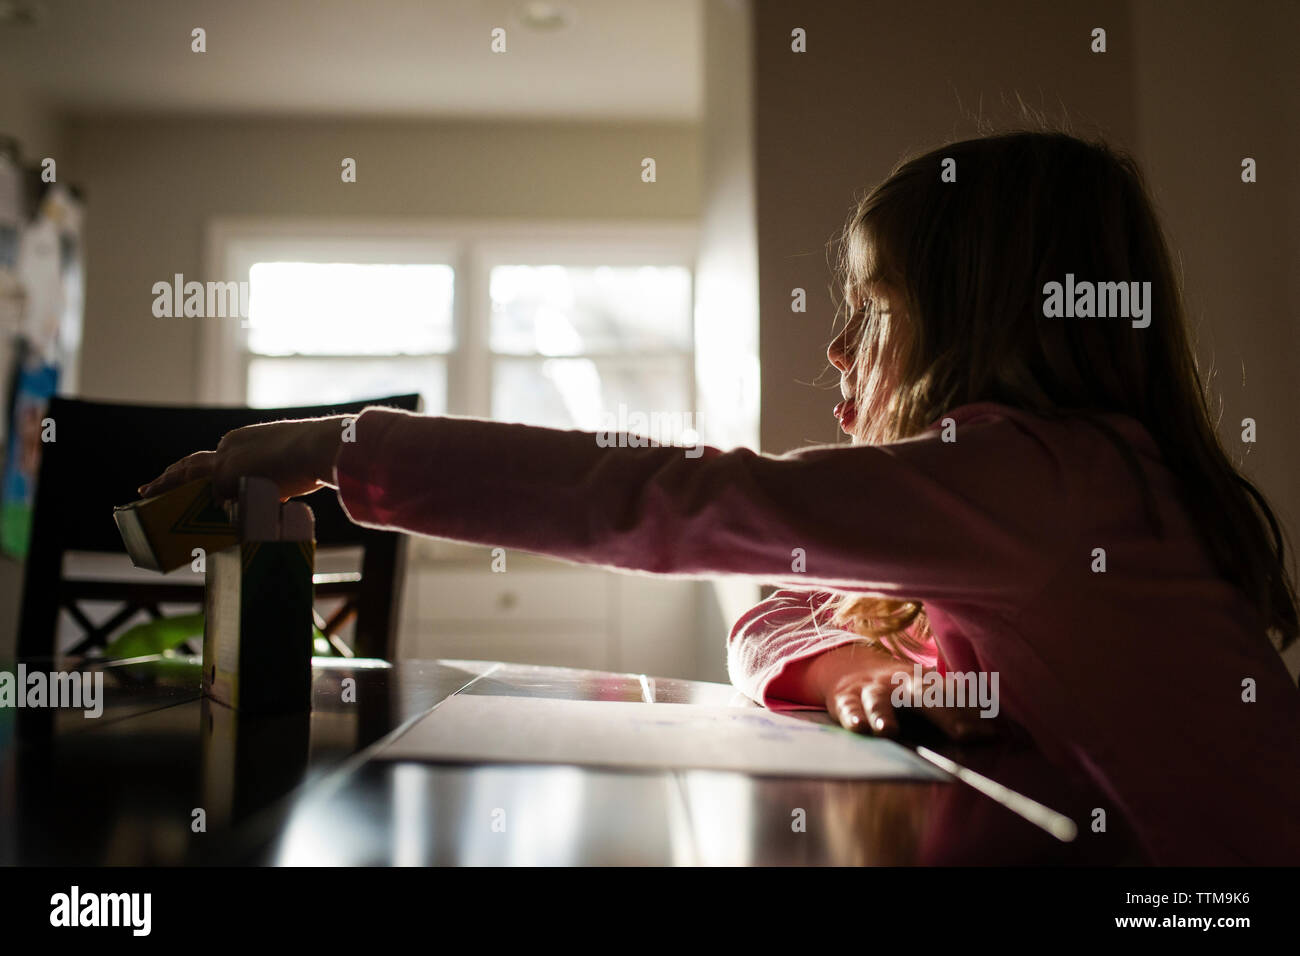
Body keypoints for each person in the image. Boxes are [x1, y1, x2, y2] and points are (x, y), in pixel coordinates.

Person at [141, 130, 1300, 864]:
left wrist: (340, 443)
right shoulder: (1051, 491)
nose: (838, 351)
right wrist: (854, 665)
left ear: (979, 316)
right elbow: (767, 605)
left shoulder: (1038, 481)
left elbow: (668, 498)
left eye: (872, 307)